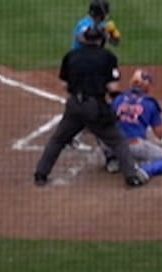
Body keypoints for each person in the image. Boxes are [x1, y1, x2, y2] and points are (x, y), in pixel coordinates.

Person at [33, 24, 149, 188]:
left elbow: (63, 85)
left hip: (74, 105)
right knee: (118, 141)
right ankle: (131, 176)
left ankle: (41, 174)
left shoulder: (71, 56)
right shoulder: (108, 57)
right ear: (101, 41)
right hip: (95, 107)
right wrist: (117, 99)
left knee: (58, 140)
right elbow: (112, 87)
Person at [110, 70, 162, 178]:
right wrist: (159, 118)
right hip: (134, 146)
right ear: (146, 85)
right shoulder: (150, 103)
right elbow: (160, 135)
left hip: (112, 145)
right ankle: (142, 170)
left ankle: (113, 161)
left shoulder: (117, 99)